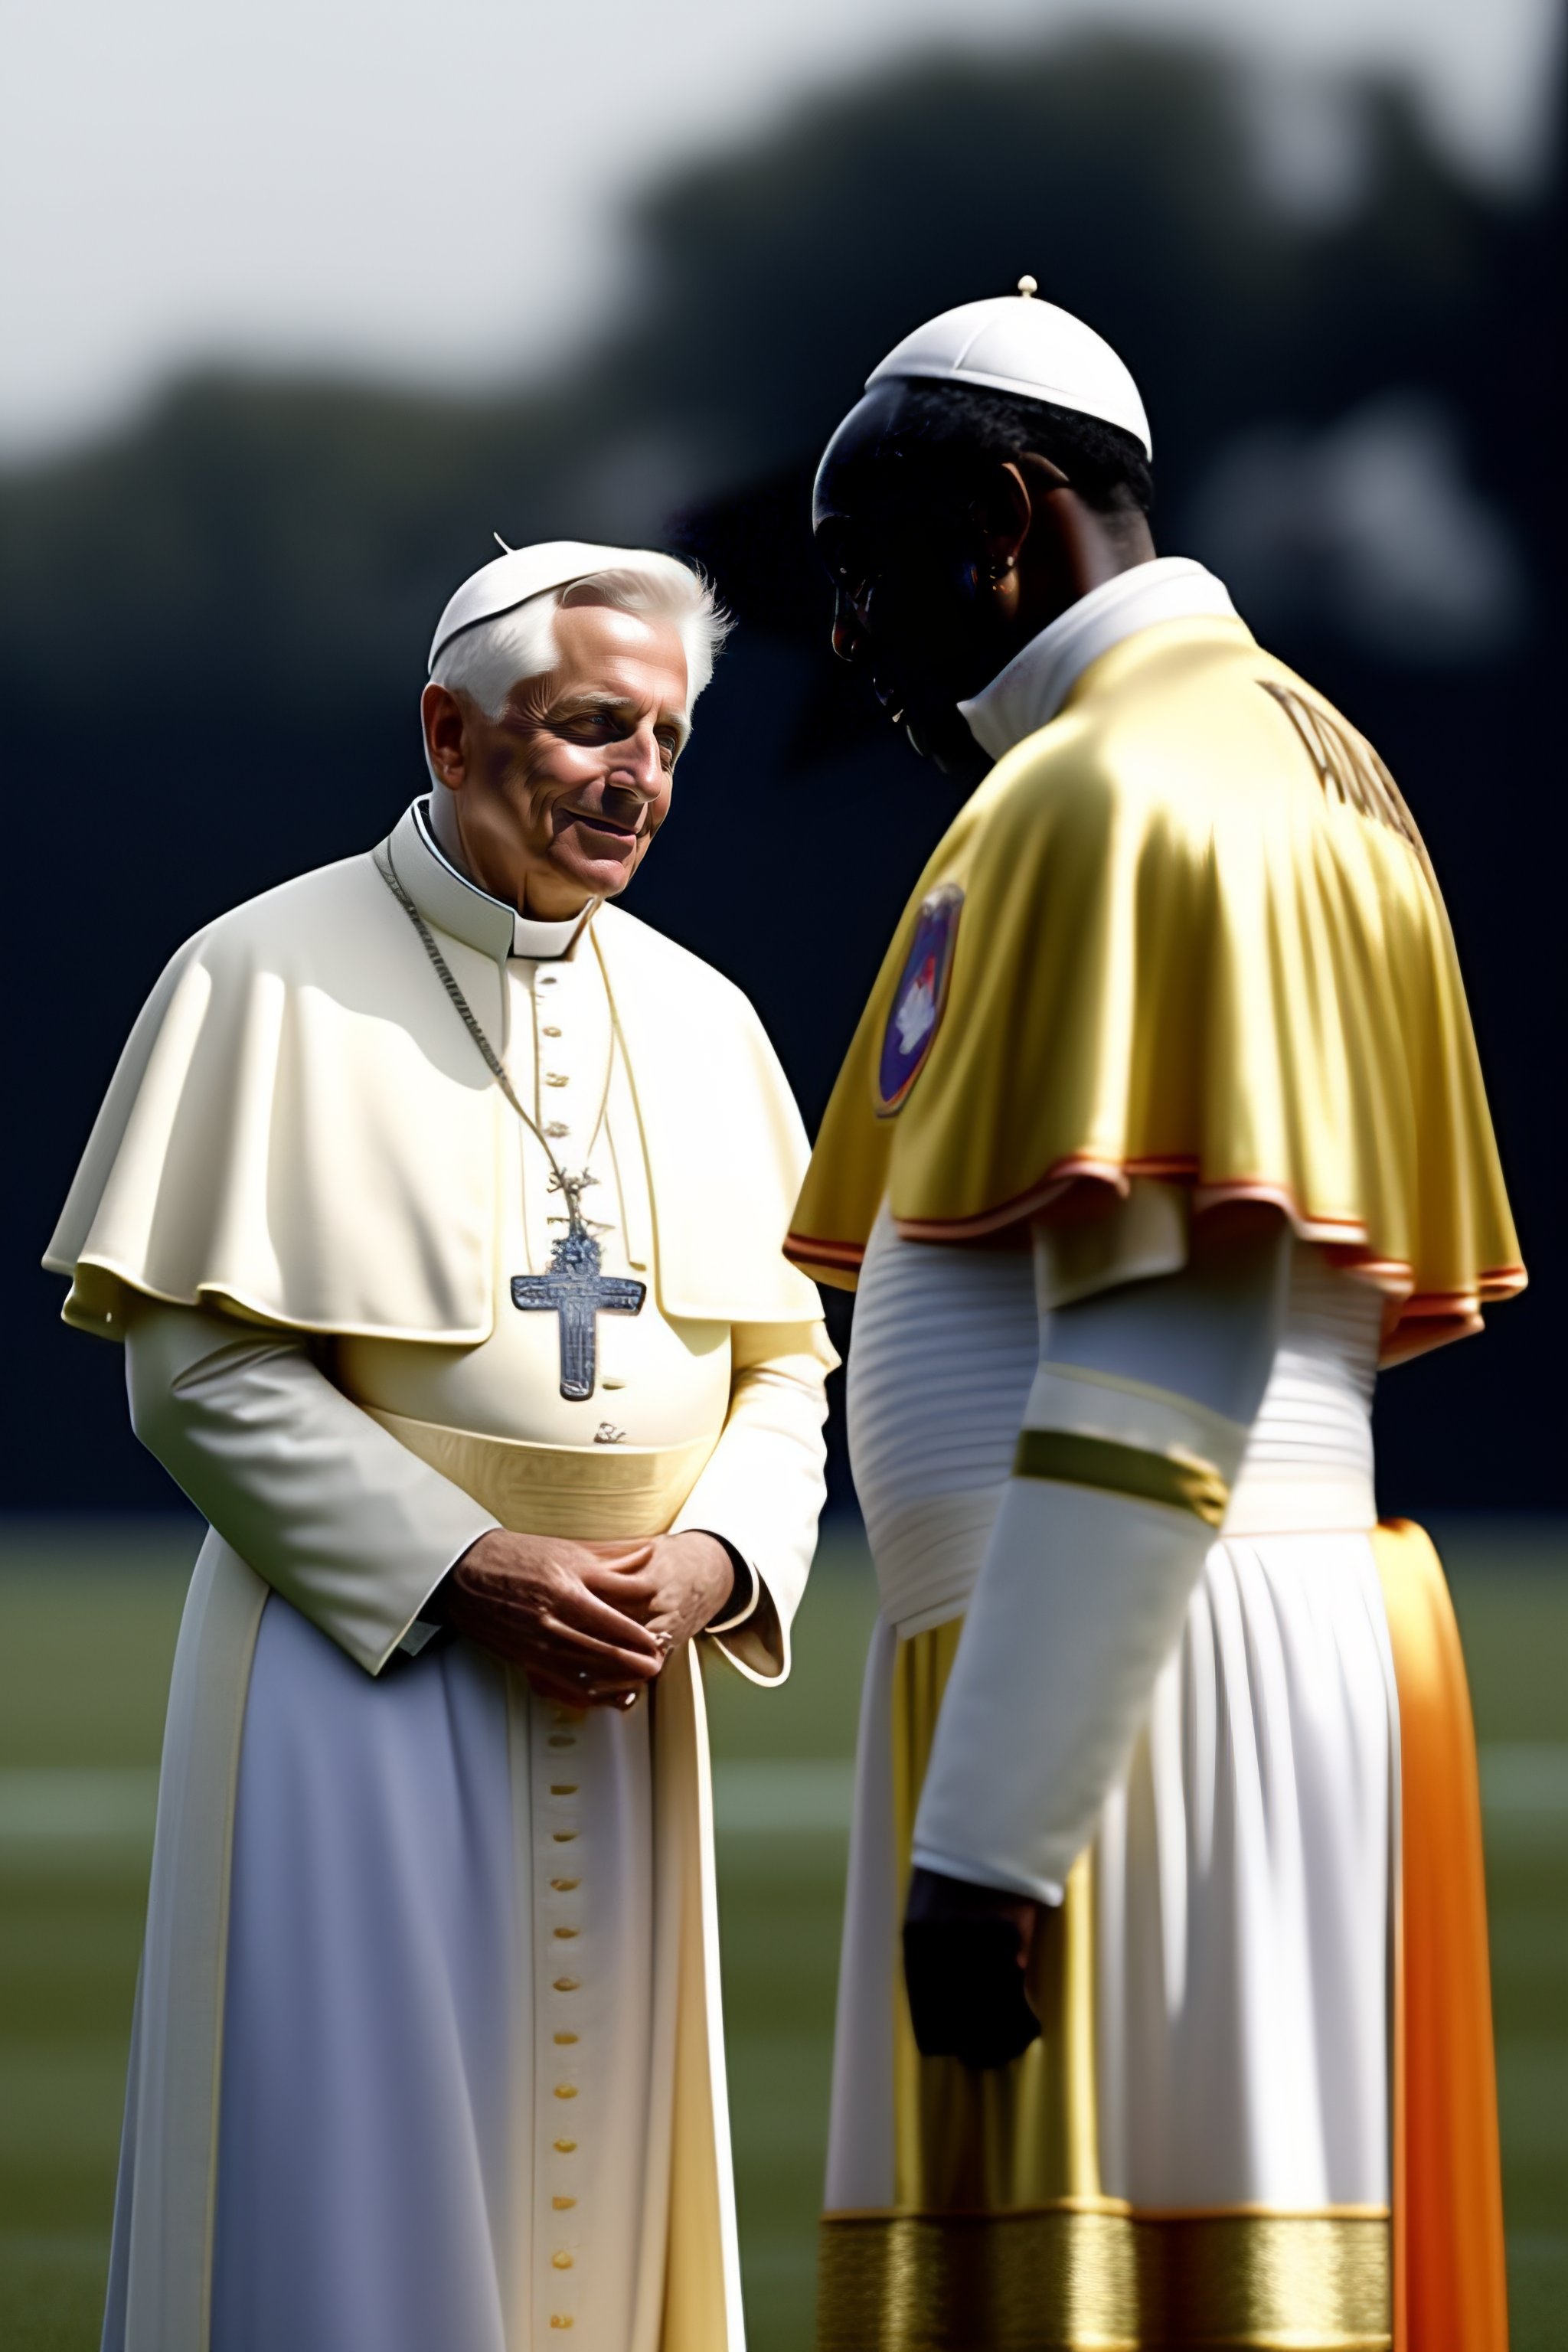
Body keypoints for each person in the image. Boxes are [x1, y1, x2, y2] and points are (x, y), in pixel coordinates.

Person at [786, 286, 1521, 2351]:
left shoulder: (1119, 790)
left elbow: (1171, 1334)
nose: (849, 642)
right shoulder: (1297, 754)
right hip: (1176, 1638)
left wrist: (998, 1831)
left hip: (1122, 1666)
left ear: (1011, 522)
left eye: (870, 573)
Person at [46, 540, 835, 2352]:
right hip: (357, 1683)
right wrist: (461, 1567)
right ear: (450, 729)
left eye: (664, 737)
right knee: (355, 2189)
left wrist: (712, 1565)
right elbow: (200, 1370)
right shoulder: (260, 975)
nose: (636, 774)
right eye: (587, 728)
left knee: (605, 2201)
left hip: (632, 1688)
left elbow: (789, 1368)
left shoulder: (707, 1020)